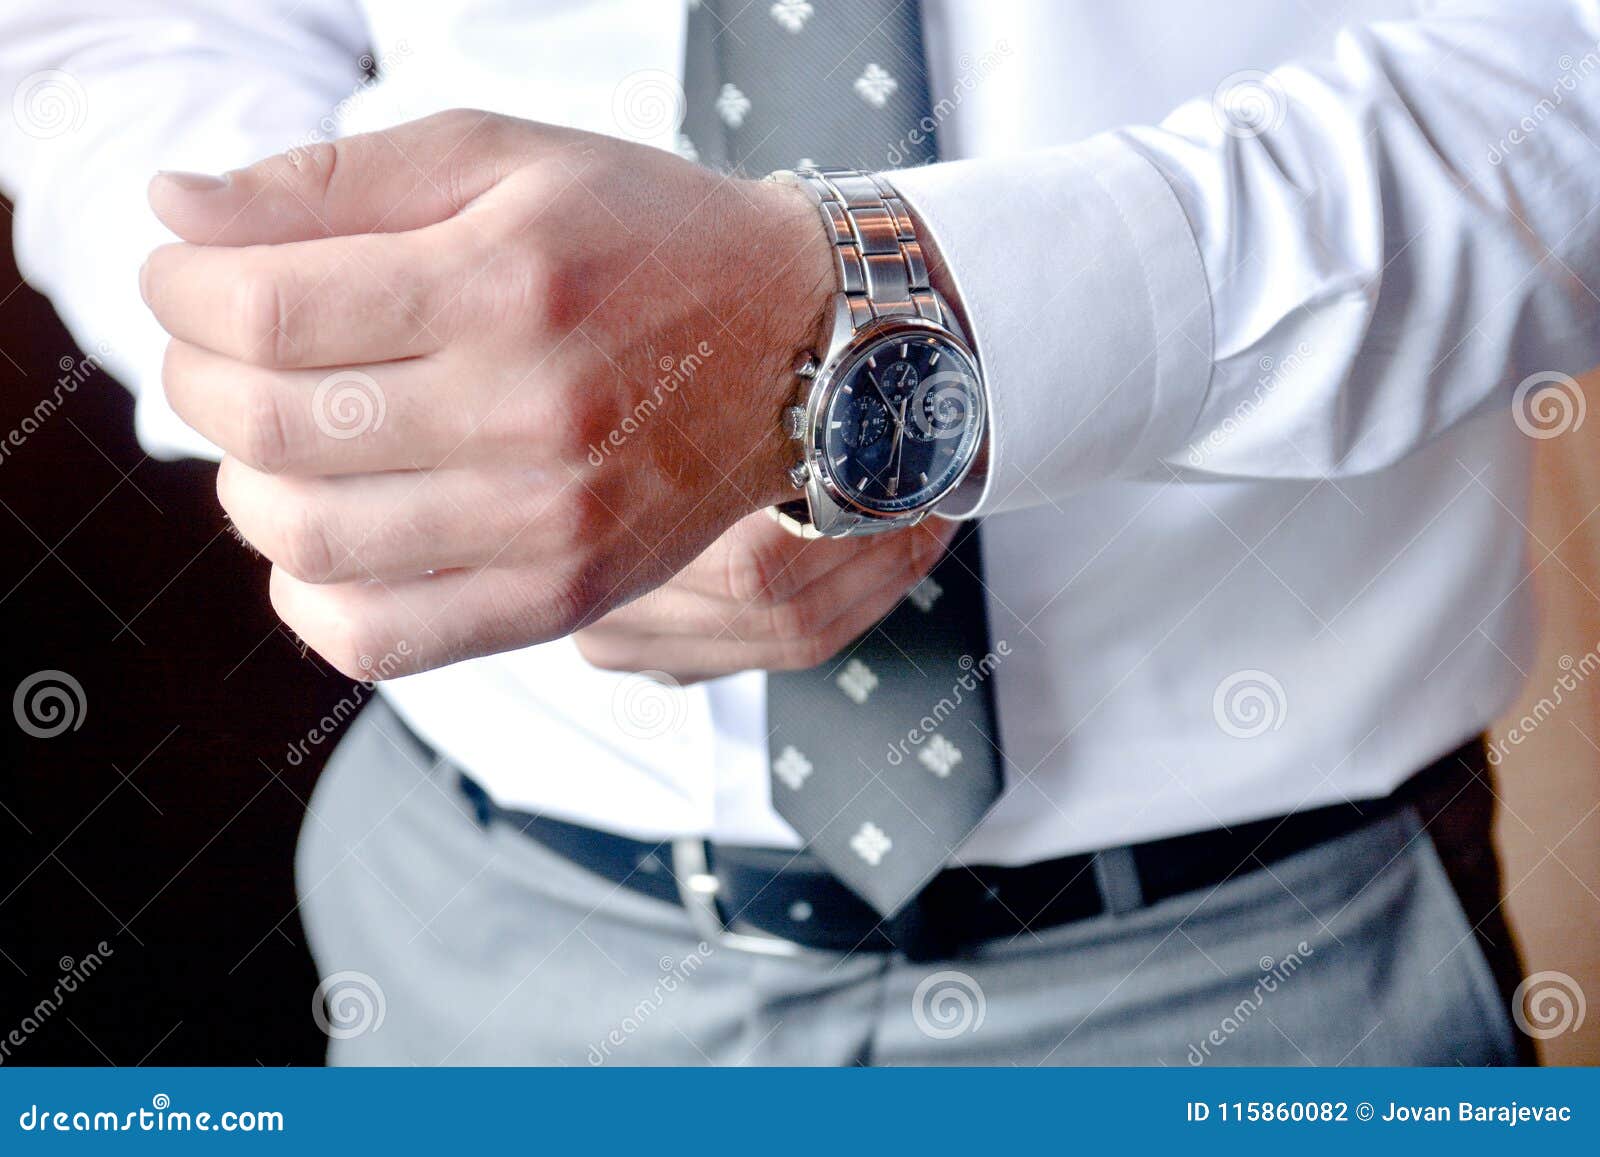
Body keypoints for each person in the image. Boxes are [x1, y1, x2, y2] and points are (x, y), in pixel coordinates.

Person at [2, 0, 1595, 1066]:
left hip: (1268, 976)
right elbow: (121, 38)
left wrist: (893, 324)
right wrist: (418, 408)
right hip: (476, 950)